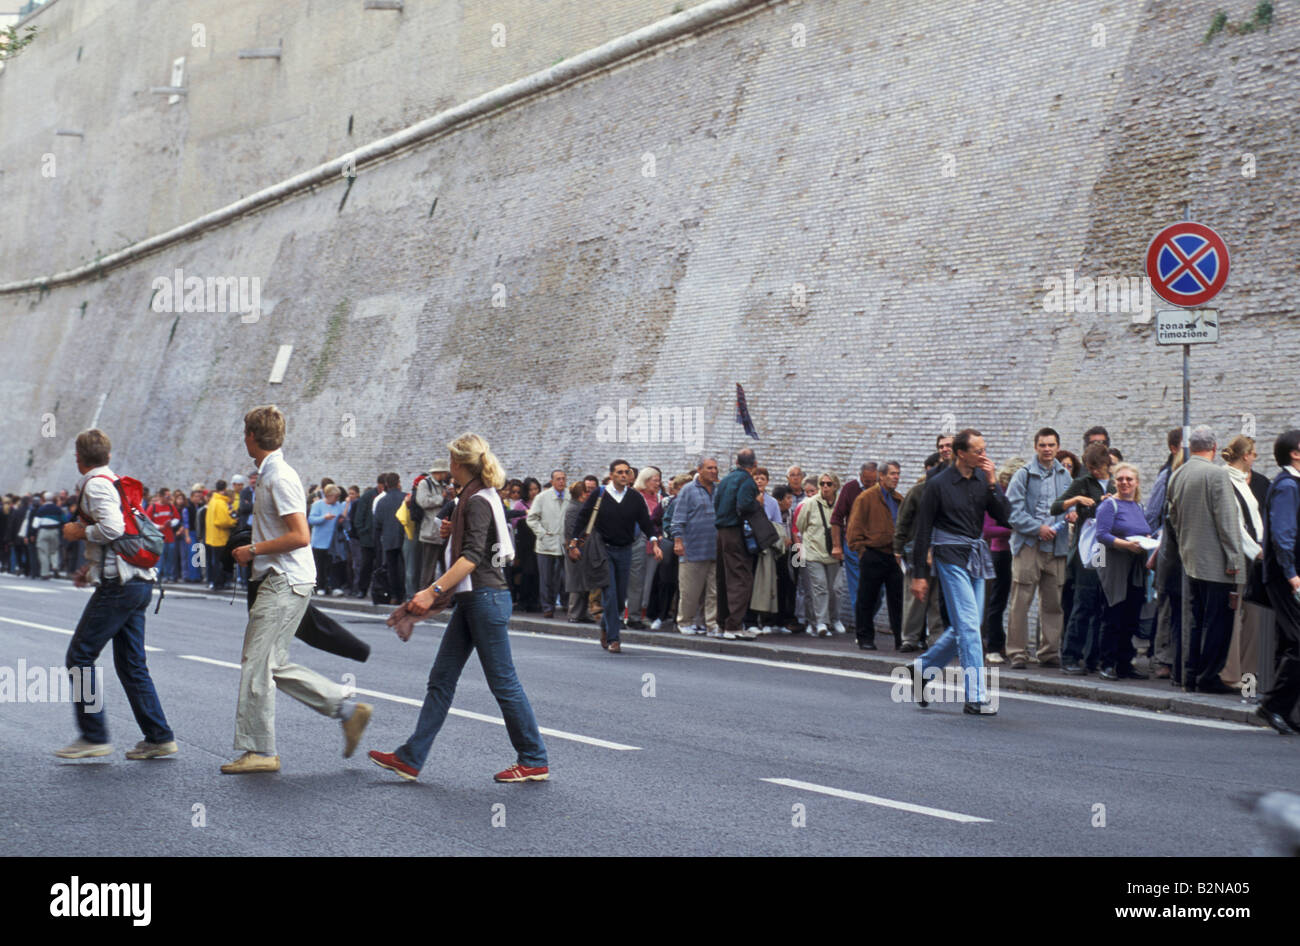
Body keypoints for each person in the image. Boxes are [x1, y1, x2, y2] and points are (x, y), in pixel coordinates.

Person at [369, 433, 549, 782]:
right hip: (477, 600)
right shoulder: (479, 494)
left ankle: (534, 757)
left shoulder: (477, 499)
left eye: (451, 460)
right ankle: (411, 757)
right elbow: (494, 547)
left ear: (460, 464)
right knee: (441, 679)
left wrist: (429, 592)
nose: (448, 465)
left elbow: (472, 558)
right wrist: (455, 533)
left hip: (484, 598)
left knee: (503, 683)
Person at [222, 405, 372, 774]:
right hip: (282, 579)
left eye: (245, 433)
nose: (245, 439)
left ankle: (260, 751)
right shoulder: (271, 473)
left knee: (256, 664)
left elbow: (300, 535)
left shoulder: (279, 476)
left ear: (252, 437)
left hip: (283, 581)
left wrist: (252, 549)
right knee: (273, 664)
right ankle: (347, 710)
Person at [55, 428, 177, 761]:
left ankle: (93, 735)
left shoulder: (95, 485)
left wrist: (78, 531)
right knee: (132, 664)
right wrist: (90, 568)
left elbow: (113, 528)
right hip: (138, 582)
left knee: (79, 657)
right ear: (108, 456)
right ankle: (159, 736)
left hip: (120, 587)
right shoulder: (113, 482)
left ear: (78, 459)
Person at [906, 428, 1010, 715]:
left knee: (969, 625)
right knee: (967, 626)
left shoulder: (982, 480)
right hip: (949, 556)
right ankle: (975, 696)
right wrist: (918, 574)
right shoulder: (937, 484)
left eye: (985, 448)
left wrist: (993, 485)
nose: (984, 455)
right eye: (978, 450)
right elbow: (923, 529)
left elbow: (1005, 516)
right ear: (960, 453)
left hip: (975, 556)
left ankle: (921, 670)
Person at [1166, 425, 1245, 694]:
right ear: (1214, 447)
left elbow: (1172, 518)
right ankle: (1209, 677)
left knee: (1196, 620)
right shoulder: (1216, 475)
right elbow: (1226, 522)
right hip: (1218, 564)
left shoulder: (1177, 474)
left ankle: (1192, 674)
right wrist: (1235, 560)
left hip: (1190, 559)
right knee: (1219, 623)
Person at [570, 459, 662, 653]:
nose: (623, 475)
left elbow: (645, 522)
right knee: (610, 593)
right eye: (619, 472)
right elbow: (583, 517)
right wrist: (573, 542)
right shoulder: (600, 494)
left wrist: (654, 542)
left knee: (620, 598)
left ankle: (605, 624)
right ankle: (614, 638)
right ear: (611, 475)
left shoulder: (635, 497)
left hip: (625, 549)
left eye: (626, 472)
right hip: (604, 550)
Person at [1004, 427, 1073, 669]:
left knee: (1053, 602)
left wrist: (1072, 515)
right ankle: (1017, 653)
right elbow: (1012, 513)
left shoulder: (1066, 476)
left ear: (1057, 447)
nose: (1047, 449)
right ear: (1036, 447)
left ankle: (1049, 652)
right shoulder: (1023, 475)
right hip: (1029, 546)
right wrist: (1037, 528)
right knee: (1021, 601)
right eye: (1042, 445)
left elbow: (1069, 508)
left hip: (1057, 547)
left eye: (1051, 445)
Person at [1055, 443, 1116, 676]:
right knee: (1084, 602)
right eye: (1089, 467)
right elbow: (1056, 506)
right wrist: (1077, 501)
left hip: (1104, 550)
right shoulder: (1082, 483)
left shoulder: (1114, 483)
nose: (1094, 472)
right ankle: (1070, 655)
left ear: (1106, 465)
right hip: (1087, 548)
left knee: (1101, 604)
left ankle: (1093, 657)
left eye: (1097, 468)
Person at [1093, 463, 1153, 680]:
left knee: (1131, 617)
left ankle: (1125, 663)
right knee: (1112, 617)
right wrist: (1126, 545)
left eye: (1129, 479)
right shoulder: (1109, 505)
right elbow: (1101, 535)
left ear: (1136, 482)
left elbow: (1144, 531)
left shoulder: (1139, 506)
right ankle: (1107, 664)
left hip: (1135, 570)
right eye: (1120, 479)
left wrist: (1146, 541)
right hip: (1115, 568)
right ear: (1114, 482)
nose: (1125, 483)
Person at [1258, 430, 1300, 734]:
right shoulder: (1287, 485)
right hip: (1285, 576)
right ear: (1295, 453)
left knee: (1290, 641)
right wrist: (1291, 574)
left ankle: (1282, 710)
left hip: (1289, 574)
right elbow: (1283, 534)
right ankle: (1272, 706)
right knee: (1298, 642)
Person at [1221, 435, 1271, 688]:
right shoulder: (1228, 480)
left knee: (1251, 615)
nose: (1256, 457)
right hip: (1241, 556)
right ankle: (1232, 674)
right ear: (1245, 456)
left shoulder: (1242, 481)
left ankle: (1248, 674)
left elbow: (1255, 520)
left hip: (1253, 553)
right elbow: (1236, 525)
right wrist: (1257, 551)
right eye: (1253, 453)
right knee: (1238, 615)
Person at [846, 461, 904, 649]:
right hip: (872, 553)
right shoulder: (866, 498)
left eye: (898, 474)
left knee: (898, 599)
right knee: (867, 598)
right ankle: (865, 638)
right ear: (882, 476)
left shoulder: (898, 499)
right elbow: (854, 527)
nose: (896, 477)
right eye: (892, 474)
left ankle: (900, 639)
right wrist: (861, 550)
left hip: (893, 555)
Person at [894, 452, 945, 652]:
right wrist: (898, 549)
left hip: (941, 551)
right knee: (915, 597)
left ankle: (936, 638)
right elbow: (903, 521)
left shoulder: (948, 493)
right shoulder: (917, 492)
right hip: (916, 550)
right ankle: (910, 638)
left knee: (937, 599)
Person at [1144, 428, 1185, 678]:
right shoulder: (1167, 475)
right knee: (1167, 605)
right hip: (1167, 549)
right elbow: (1152, 515)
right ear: (1174, 448)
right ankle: (1162, 659)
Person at [714, 449, 761, 639]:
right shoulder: (747, 481)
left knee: (723, 577)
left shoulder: (725, 479)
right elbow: (744, 504)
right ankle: (733, 626)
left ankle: (721, 623)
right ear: (754, 464)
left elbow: (717, 503)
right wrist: (758, 503)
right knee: (741, 578)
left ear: (736, 461)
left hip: (721, 532)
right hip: (736, 531)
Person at [671, 458, 720, 636]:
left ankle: (711, 624)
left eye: (715, 468)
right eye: (709, 468)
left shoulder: (719, 490)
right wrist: (678, 541)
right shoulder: (687, 490)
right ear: (699, 469)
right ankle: (685, 621)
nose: (714, 471)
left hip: (714, 548)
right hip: (692, 548)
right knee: (690, 591)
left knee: (713, 591)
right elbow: (678, 519)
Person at [981, 460, 1023, 663]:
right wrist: (1016, 528)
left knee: (1016, 601)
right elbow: (988, 529)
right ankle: (993, 646)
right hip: (1002, 552)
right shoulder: (998, 495)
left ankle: (1009, 645)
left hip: (1019, 552)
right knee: (997, 600)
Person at [830, 462, 879, 635]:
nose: (870, 485)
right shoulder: (850, 488)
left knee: (879, 590)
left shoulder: (882, 490)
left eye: (873, 481)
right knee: (858, 586)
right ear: (860, 476)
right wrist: (837, 546)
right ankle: (862, 627)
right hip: (854, 545)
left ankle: (864, 619)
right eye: (866, 481)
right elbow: (836, 518)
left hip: (877, 546)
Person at [795, 471, 842, 637]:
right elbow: (800, 525)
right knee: (818, 587)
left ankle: (834, 619)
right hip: (812, 552)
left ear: (835, 486)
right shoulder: (809, 503)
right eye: (822, 484)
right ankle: (820, 622)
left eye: (829, 484)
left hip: (834, 553)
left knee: (834, 588)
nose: (825, 487)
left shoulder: (840, 504)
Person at [527, 469, 568, 618]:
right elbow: (531, 518)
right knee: (546, 578)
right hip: (546, 543)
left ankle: (565, 603)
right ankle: (547, 607)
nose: (561, 482)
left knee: (565, 577)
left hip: (564, 542)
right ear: (552, 481)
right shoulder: (542, 497)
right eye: (558, 479)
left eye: (563, 478)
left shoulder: (569, 496)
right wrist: (542, 533)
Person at [374, 472, 407, 604]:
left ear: (386, 484)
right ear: (398, 483)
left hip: (388, 538)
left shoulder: (381, 501)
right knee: (405, 567)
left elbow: (377, 523)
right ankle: (404, 594)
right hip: (404, 536)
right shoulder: (405, 498)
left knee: (392, 568)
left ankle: (394, 595)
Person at [308, 484, 346, 595]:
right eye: (335, 496)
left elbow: (341, 517)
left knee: (334, 564)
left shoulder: (338, 505)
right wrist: (324, 517)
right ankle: (320, 586)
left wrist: (341, 521)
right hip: (319, 540)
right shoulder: (317, 505)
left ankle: (335, 586)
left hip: (333, 541)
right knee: (320, 565)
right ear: (328, 496)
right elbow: (311, 519)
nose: (337, 499)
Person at [205, 479, 239, 590]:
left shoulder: (213, 500)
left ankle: (214, 582)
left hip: (212, 536)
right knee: (221, 562)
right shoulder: (220, 503)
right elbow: (222, 521)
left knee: (215, 561)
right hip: (219, 537)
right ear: (224, 489)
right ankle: (219, 583)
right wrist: (234, 522)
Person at [32, 491, 67, 579]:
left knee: (43, 552)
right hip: (55, 531)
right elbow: (64, 520)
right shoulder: (58, 509)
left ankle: (45, 573)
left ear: (44, 499)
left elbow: (35, 524)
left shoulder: (41, 509)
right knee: (54, 550)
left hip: (43, 531)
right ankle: (55, 566)